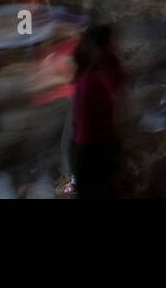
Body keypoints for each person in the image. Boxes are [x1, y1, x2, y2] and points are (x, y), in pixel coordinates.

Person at [71, 24, 124, 199]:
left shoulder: (85, 74)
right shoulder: (92, 79)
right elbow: (101, 118)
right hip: (96, 148)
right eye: (110, 43)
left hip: (86, 147)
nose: (115, 46)